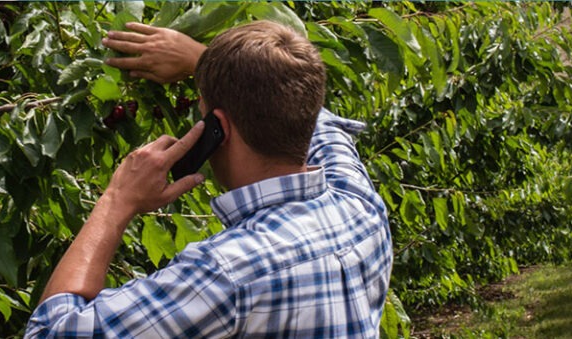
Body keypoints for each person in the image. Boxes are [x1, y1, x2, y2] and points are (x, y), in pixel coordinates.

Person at [25, 21, 392, 338]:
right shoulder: (359, 204)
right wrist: (203, 61)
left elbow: (52, 331)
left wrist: (117, 200)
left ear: (220, 128)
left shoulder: (225, 273)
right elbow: (321, 122)